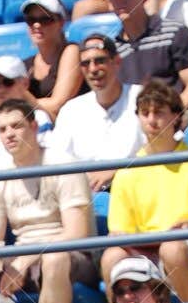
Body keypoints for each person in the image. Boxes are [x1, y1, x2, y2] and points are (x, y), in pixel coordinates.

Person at [105, 78, 188, 302]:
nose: (152, 120)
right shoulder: (126, 172)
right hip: (147, 252)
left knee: (172, 248)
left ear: (176, 116)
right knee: (112, 256)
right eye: (145, 113)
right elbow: (119, 232)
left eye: (159, 113)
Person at [0, 99, 96, 303]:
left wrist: (26, 259)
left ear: (33, 126)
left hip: (70, 254)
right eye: (2, 129)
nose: (9, 134)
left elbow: (77, 232)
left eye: (16, 126)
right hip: (22, 255)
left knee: (54, 258)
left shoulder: (63, 163)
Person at [108, 0, 188, 114]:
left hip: (175, 119)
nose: (120, 0)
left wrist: (171, 118)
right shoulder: (112, 50)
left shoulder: (175, 33)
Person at [50, 35, 143, 190]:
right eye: (86, 63)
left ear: (117, 62)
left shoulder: (142, 97)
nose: (93, 69)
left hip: (136, 188)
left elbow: (160, 148)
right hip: (85, 192)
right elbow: (57, 161)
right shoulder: (71, 110)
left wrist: (118, 171)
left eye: (100, 61)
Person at [21, 0, 83, 122]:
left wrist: (17, 101)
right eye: (31, 20)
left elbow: (58, 104)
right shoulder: (25, 65)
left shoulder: (71, 51)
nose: (37, 25)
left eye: (45, 19)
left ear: (61, 23)